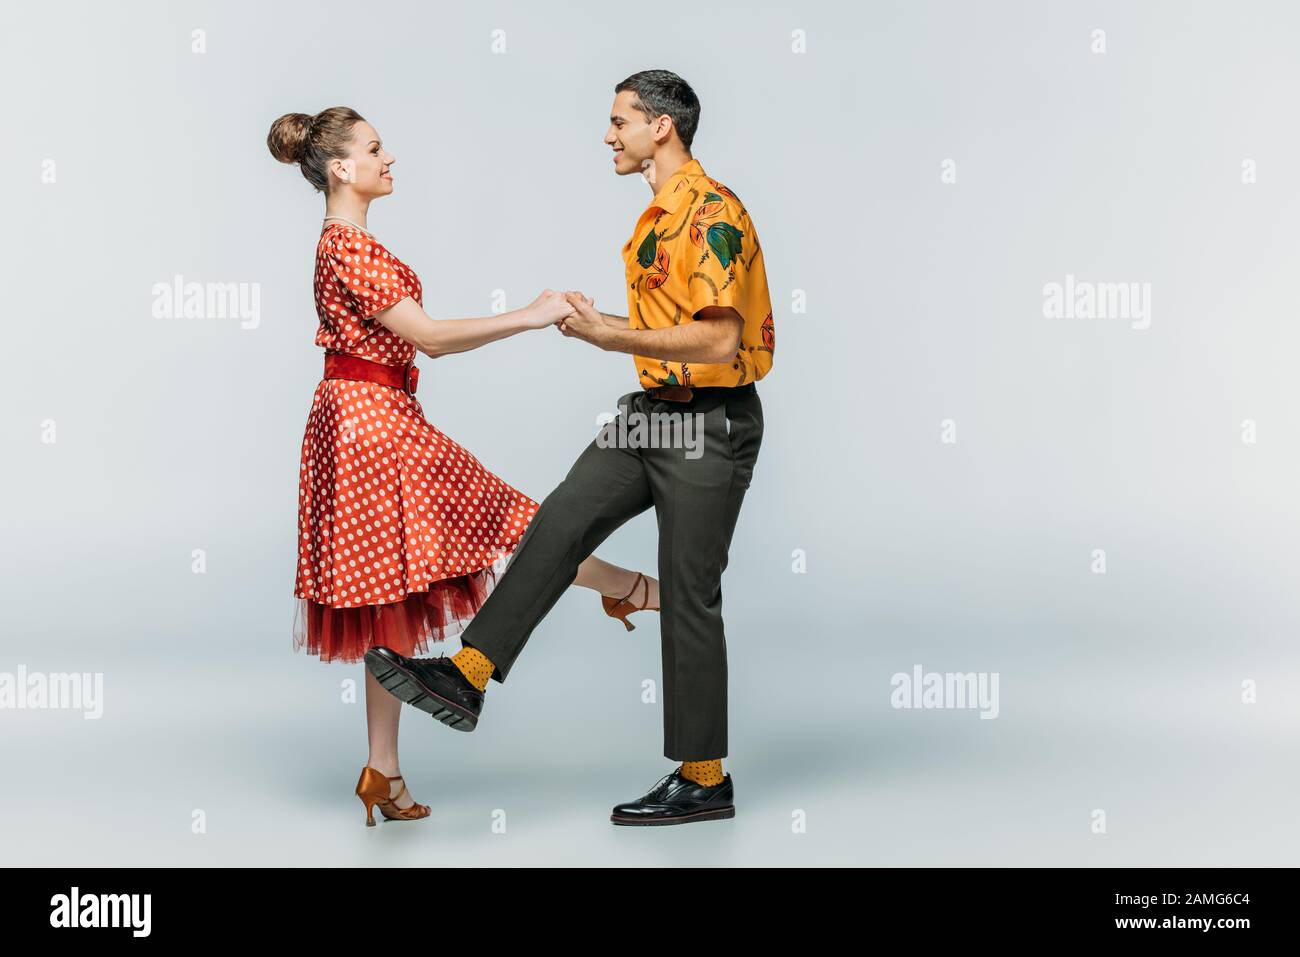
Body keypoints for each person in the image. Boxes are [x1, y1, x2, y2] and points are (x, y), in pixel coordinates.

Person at [365, 70, 774, 826]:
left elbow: (720, 339)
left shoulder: (713, 210)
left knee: (689, 589)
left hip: (710, 423)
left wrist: (605, 332)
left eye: (621, 120)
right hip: (653, 414)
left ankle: (704, 775)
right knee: (557, 522)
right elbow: (676, 329)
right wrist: (604, 321)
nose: (609, 133)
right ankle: (468, 673)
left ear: (662, 127)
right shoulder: (657, 213)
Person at [267, 106, 661, 827]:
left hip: (359, 418)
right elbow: (430, 340)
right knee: (516, 524)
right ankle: (632, 588)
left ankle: (381, 770)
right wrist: (531, 314)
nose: (391, 160)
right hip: (371, 425)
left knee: (387, 586)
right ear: (341, 169)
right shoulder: (348, 248)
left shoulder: (342, 243)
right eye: (376, 150)